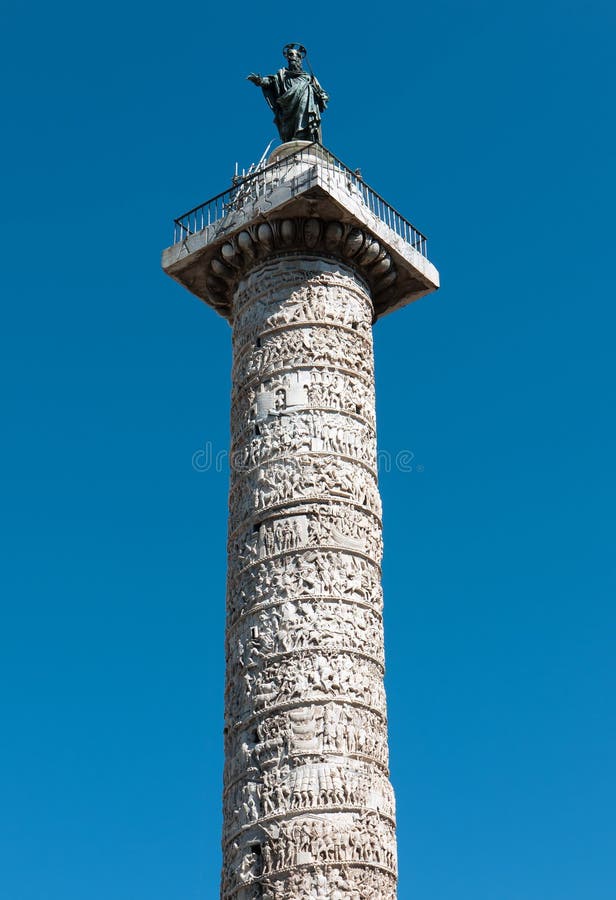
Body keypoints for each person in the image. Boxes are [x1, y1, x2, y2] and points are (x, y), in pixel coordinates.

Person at [248, 43, 329, 143]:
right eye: (289, 55)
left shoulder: (308, 78)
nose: (291, 58)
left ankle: (301, 133)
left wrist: (322, 97)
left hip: (305, 103)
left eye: (293, 55)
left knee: (307, 91)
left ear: (299, 59)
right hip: (287, 106)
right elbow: (270, 81)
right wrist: (260, 80)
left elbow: (323, 94)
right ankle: (296, 134)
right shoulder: (282, 75)